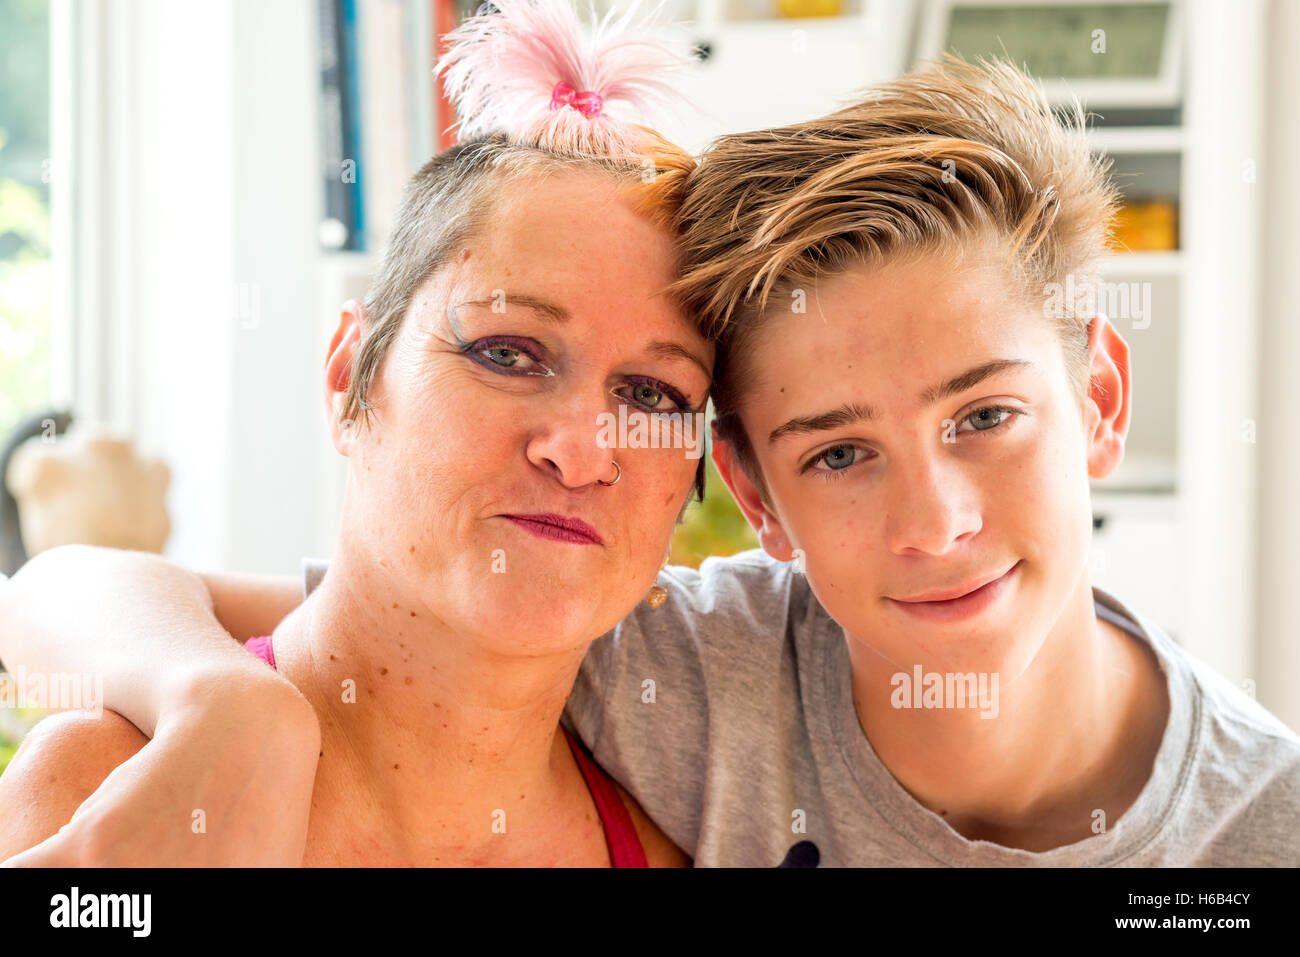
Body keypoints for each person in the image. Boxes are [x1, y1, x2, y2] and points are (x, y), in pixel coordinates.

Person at [4, 56, 1298, 867]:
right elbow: (66, 593)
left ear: (1101, 400)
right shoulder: (678, 675)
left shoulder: (1265, 824)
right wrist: (227, 704)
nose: (936, 521)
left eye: (985, 417)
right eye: (841, 450)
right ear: (756, 497)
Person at [0, 0, 709, 867]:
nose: (583, 447)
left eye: (653, 394)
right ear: (349, 376)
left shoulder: (672, 846)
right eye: (508, 352)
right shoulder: (110, 801)